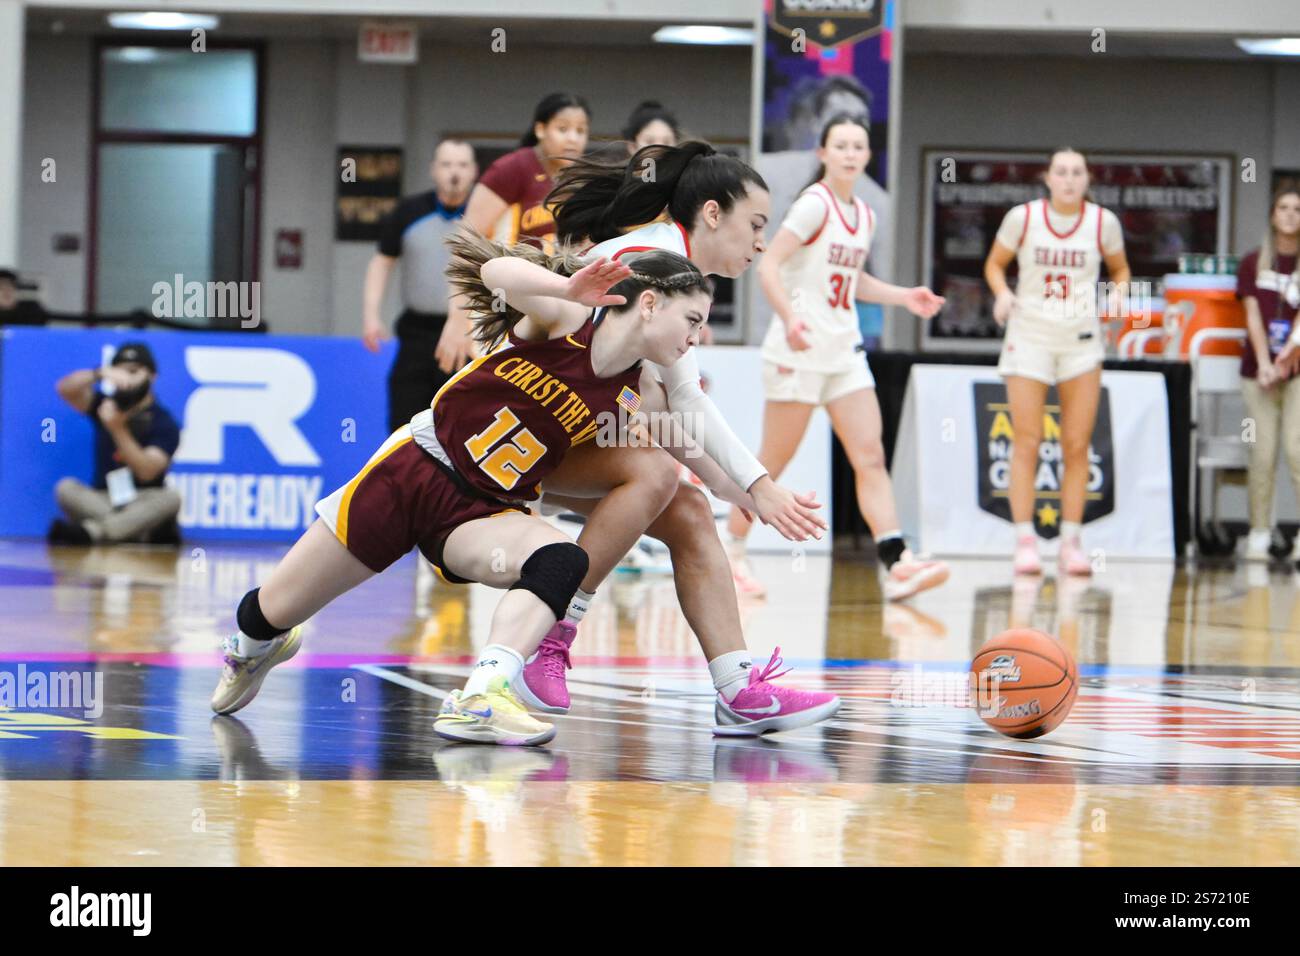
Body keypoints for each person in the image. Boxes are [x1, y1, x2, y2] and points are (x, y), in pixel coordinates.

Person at [210, 238, 836, 745]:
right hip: (414, 471)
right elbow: (497, 273)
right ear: (648, 303)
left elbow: (702, 457)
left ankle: (484, 694)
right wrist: (564, 285)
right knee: (268, 611)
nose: (697, 337)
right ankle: (252, 647)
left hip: (484, 513)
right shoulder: (568, 317)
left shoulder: (636, 393)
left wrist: (762, 495)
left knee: (559, 558)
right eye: (692, 319)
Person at [505, 141, 837, 735]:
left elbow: (667, 414)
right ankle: (551, 636)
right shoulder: (650, 262)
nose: (761, 243)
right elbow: (678, 404)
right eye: (755, 225)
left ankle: (738, 689)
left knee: (686, 505)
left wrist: (745, 491)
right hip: (508, 434)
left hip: (558, 435)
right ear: (713, 214)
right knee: (659, 472)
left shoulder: (674, 270)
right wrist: (757, 484)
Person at [724, 114, 949, 601]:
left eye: (858, 146)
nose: (850, 153)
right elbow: (771, 264)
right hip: (798, 350)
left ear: (868, 156)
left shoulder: (865, 214)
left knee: (870, 455)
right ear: (823, 153)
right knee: (772, 464)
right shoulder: (813, 205)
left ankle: (896, 562)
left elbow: (851, 281)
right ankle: (731, 554)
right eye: (841, 145)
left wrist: (904, 296)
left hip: (842, 351)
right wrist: (789, 318)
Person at [983, 147, 1131, 576]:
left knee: (1076, 445)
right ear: (1048, 178)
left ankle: (1071, 541)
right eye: (1061, 172)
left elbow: (1120, 270)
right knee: (1026, 440)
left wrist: (1119, 293)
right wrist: (1002, 293)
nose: (1069, 179)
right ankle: (1025, 540)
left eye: (1077, 173)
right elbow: (994, 265)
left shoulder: (1103, 222)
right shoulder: (1023, 217)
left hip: (1081, 339)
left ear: (1087, 179)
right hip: (1030, 335)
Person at [438, 93, 592, 376]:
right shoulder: (512, 169)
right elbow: (464, 243)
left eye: (581, 131)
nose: (573, 138)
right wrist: (457, 319)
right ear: (540, 129)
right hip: (495, 300)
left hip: (547, 301)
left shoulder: (580, 182)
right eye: (563, 128)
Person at [361, 139, 478, 432]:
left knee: (459, 424)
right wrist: (371, 315)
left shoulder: (486, 214)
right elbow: (382, 261)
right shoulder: (408, 211)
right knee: (405, 423)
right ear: (433, 170)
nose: (455, 172)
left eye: (462, 165)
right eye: (447, 164)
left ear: (474, 171)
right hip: (416, 333)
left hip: (467, 332)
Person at [51, 342, 182, 545]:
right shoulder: (105, 404)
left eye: (133, 371)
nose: (126, 378)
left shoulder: (164, 422)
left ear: (152, 376)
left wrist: (117, 428)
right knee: (65, 488)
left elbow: (147, 471)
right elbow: (65, 389)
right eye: (120, 371)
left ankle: (92, 532)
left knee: (170, 499)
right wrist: (100, 373)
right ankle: (136, 532)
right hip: (104, 498)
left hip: (142, 498)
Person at [1236, 186, 1300, 562]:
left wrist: (1290, 352)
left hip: (1296, 371)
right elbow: (1252, 316)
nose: (1291, 215)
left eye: (1298, 209)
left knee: (1296, 450)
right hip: (1256, 372)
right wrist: (1264, 362)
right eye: (1284, 208)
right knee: (1261, 451)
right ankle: (1259, 531)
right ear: (1273, 215)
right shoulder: (1252, 262)